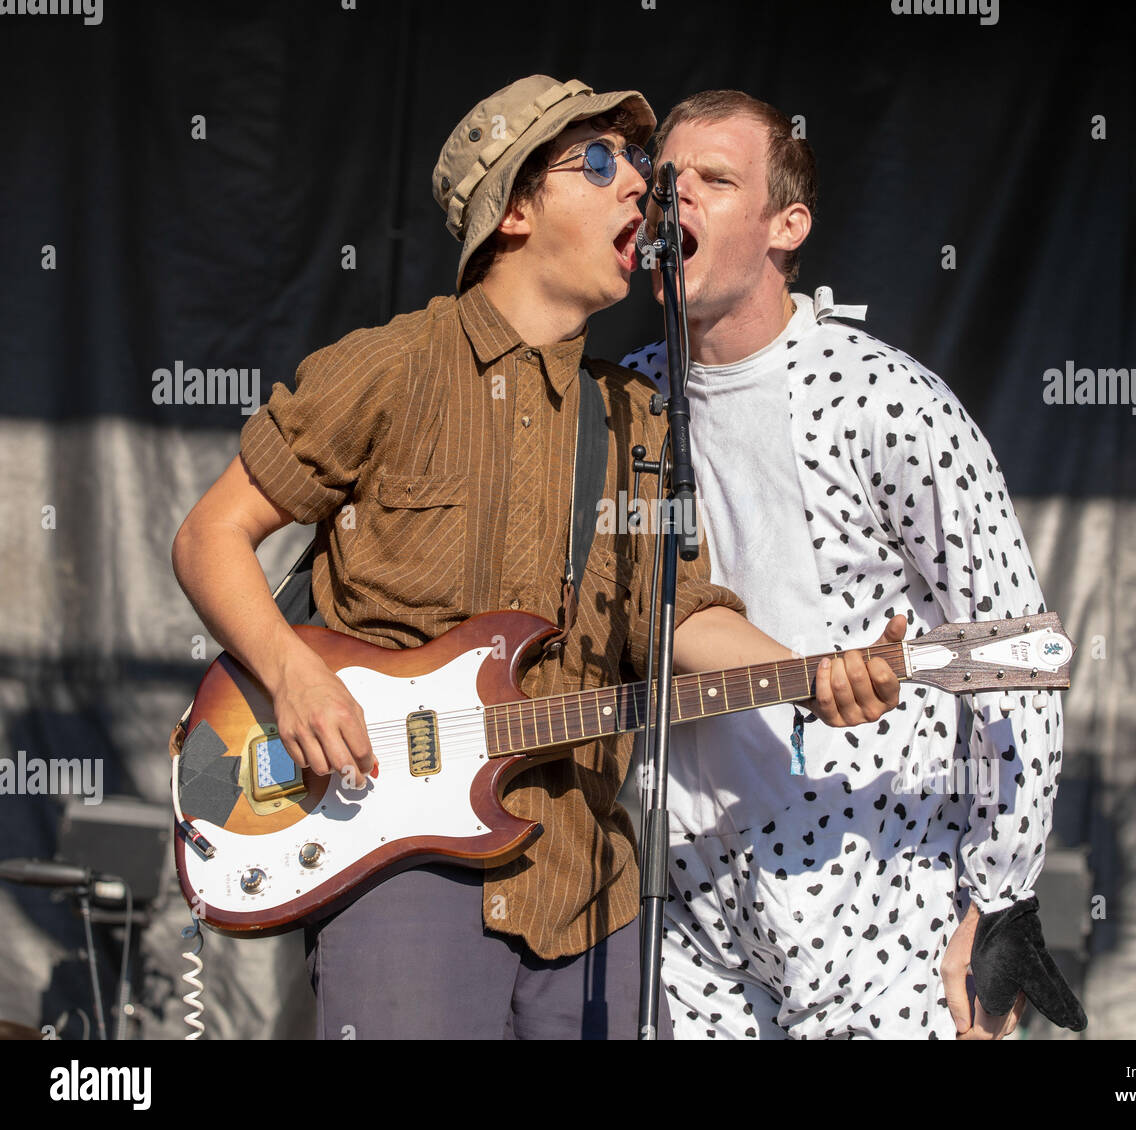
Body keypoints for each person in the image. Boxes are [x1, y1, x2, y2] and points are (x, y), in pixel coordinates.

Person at [170, 76, 904, 1040]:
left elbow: (681, 618)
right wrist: (295, 677)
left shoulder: (637, 419)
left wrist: (811, 675)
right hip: (404, 867)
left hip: (588, 882)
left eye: (639, 165)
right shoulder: (389, 368)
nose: (639, 188)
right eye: (599, 162)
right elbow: (209, 534)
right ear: (513, 209)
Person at [621, 90, 1086, 1039]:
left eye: (716, 180)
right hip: (691, 907)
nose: (681, 204)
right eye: (666, 182)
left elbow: (1018, 653)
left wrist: (1000, 903)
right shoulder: (626, 403)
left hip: (877, 897)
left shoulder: (884, 400)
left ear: (786, 225)